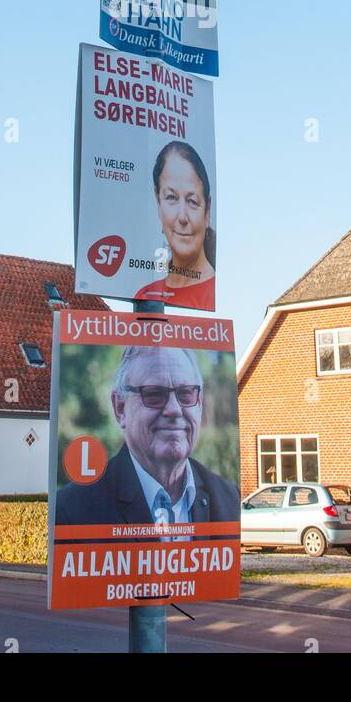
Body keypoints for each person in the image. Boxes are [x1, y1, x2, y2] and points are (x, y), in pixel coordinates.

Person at [55, 344, 239, 528]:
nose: (174, 410)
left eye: (185, 394)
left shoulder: (229, 500)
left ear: (199, 403)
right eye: (154, 394)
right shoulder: (71, 511)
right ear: (120, 408)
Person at [134, 142, 216, 309]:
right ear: (158, 201)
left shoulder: (212, 292)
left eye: (192, 201)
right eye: (171, 197)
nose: (182, 217)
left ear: (207, 211)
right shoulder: (144, 292)